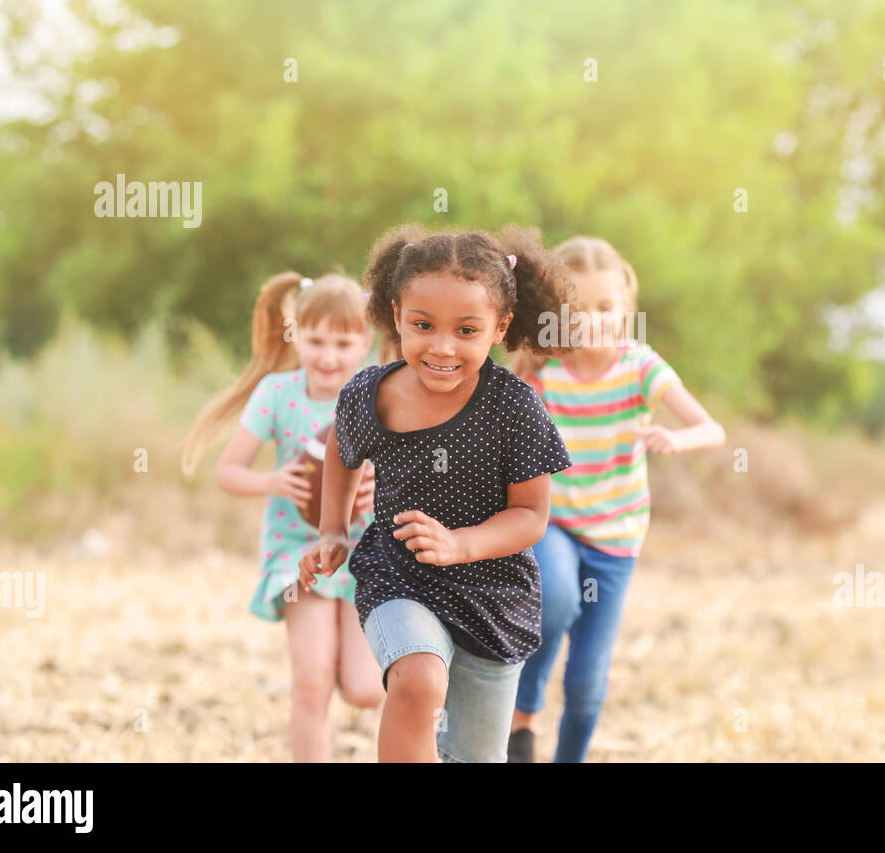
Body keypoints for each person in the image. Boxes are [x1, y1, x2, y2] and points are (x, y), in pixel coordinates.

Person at [299, 224, 576, 762]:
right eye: (423, 325)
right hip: (400, 578)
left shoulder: (515, 409)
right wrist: (333, 528)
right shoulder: (372, 393)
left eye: (466, 330)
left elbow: (530, 515)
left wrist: (461, 543)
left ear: (500, 327)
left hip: (494, 598)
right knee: (419, 677)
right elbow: (341, 445)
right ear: (397, 314)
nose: (442, 347)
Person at [507, 236, 726, 762]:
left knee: (587, 683)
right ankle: (522, 719)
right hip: (554, 523)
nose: (594, 321)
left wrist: (676, 439)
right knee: (554, 599)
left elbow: (710, 429)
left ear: (626, 311)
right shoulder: (545, 370)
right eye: (578, 309)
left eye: (606, 308)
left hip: (615, 538)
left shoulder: (639, 366)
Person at [181, 271, 384, 762]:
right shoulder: (277, 393)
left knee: (365, 690)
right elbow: (229, 472)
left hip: (366, 556)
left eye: (343, 341)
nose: (329, 356)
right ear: (296, 334)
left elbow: (415, 473)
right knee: (312, 683)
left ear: (367, 341)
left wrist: (379, 488)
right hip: (301, 555)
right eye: (315, 341)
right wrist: (273, 481)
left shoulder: (380, 394)